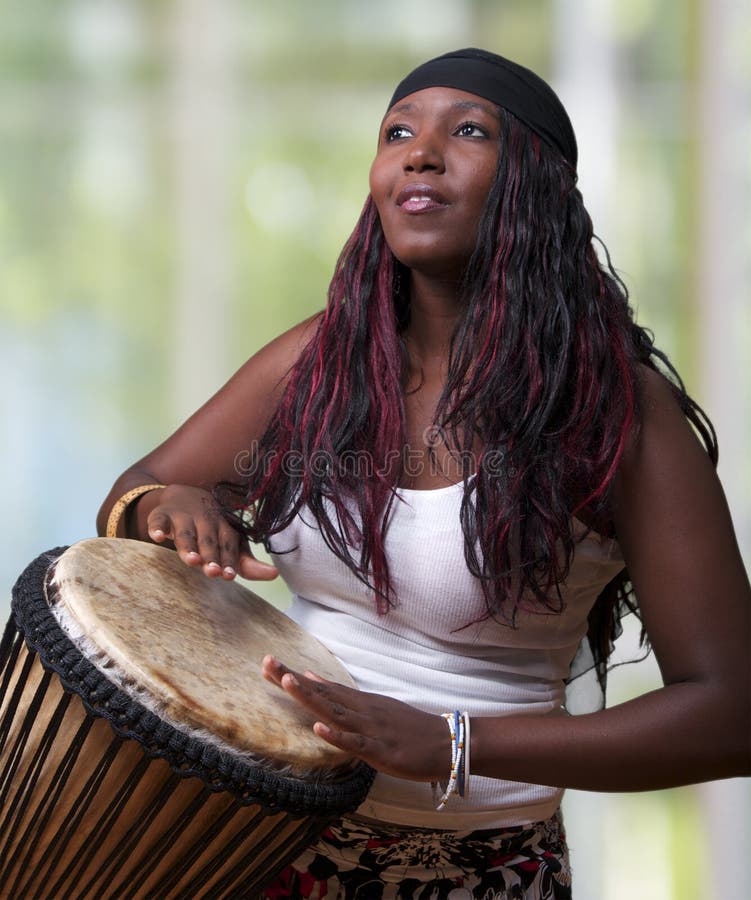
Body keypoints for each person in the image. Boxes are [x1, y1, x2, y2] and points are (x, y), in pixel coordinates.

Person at [98, 48, 750, 900]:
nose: (419, 151)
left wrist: (455, 743)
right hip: (252, 840)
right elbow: (138, 488)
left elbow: (730, 711)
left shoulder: (618, 417)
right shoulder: (322, 358)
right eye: (397, 132)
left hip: (472, 869)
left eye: (467, 131)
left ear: (536, 185)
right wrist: (170, 504)